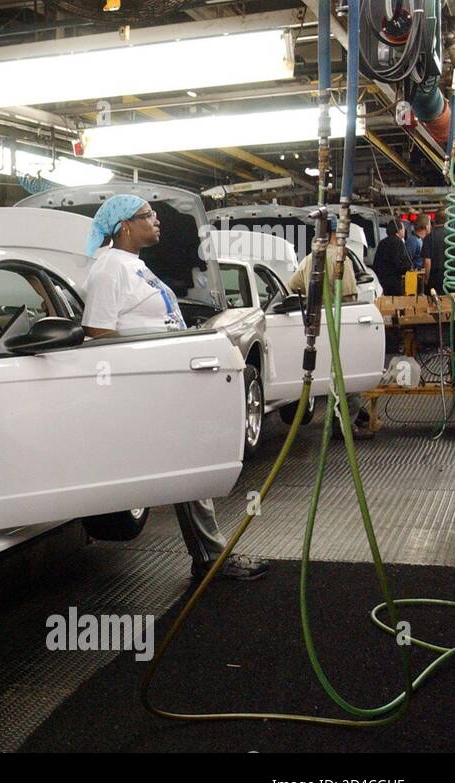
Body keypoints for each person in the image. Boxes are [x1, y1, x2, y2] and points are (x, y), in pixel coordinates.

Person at [80, 194, 270, 581]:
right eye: (147, 216)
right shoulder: (108, 270)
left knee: (193, 466)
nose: (157, 220)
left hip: (165, 382)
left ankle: (209, 557)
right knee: (189, 465)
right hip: (145, 386)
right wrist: (147, 363)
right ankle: (210, 558)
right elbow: (98, 333)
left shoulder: (133, 266)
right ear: (124, 227)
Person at [286, 216, 373, 440]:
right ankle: (345, 422)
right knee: (347, 374)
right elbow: (350, 295)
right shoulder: (341, 259)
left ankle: (336, 418)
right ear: (338, 234)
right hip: (338, 324)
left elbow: (293, 285)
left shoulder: (309, 258)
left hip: (317, 325)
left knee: (326, 373)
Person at [372, 217, 411, 296]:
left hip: (381, 281)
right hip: (394, 282)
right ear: (399, 230)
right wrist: (409, 267)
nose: (404, 231)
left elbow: (376, 263)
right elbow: (400, 264)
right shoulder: (399, 243)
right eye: (403, 228)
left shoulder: (382, 243)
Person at [422, 208, 448, 292]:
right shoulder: (451, 236)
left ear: (434, 220)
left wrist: (426, 279)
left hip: (435, 280)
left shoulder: (429, 237)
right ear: (447, 219)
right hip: (451, 278)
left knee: (436, 304)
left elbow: (427, 261)